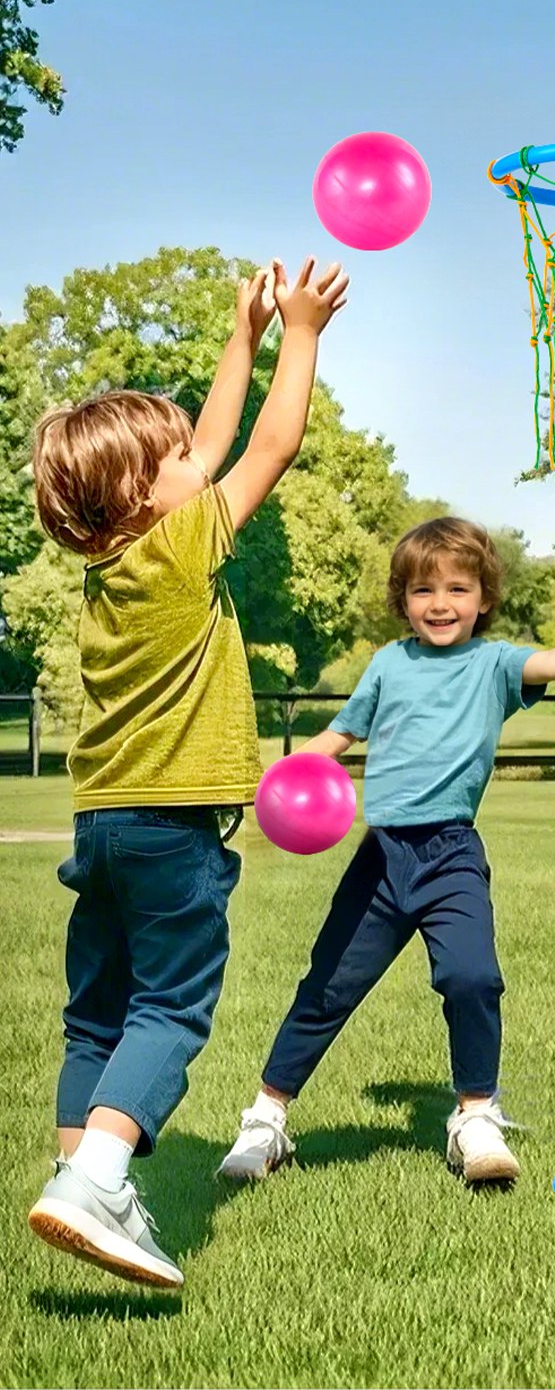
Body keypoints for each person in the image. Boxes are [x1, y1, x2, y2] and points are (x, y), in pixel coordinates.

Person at [27, 258, 349, 1287]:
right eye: (169, 459)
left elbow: (205, 444)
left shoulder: (112, 561)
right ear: (141, 496)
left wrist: (238, 335)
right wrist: (300, 332)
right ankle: (98, 1184)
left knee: (98, 1011)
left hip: (104, 825)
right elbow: (266, 445)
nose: (191, 461)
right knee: (171, 1006)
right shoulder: (177, 549)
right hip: (173, 827)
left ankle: (78, 1178)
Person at [217, 516, 555, 1186]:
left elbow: (547, 663)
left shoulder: (495, 664)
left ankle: (476, 1117)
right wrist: (279, 779)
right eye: (424, 590)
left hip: (451, 854)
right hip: (382, 859)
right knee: (329, 987)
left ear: (484, 598)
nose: (441, 603)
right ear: (404, 601)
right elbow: (339, 736)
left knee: (472, 977)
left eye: (458, 588)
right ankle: (267, 1118)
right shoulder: (389, 664)